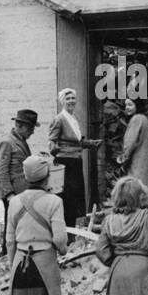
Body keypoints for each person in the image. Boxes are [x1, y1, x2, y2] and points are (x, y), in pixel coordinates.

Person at [5, 155, 68, 295]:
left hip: (21, 264)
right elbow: (60, 238)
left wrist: (12, 264)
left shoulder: (14, 202)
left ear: (25, 176)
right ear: (47, 177)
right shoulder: (55, 202)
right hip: (44, 263)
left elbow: (10, 240)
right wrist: (63, 249)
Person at [49, 88, 102, 225]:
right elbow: (52, 141)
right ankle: (66, 229)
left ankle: (72, 229)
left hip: (75, 162)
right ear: (62, 101)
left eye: (73, 98)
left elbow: (78, 142)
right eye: (68, 99)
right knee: (67, 198)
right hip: (66, 163)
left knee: (75, 199)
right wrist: (58, 153)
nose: (71, 101)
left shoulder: (73, 119)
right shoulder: (59, 119)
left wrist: (91, 144)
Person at [0, 108, 37, 209]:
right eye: (30, 128)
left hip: (23, 195)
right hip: (13, 196)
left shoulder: (22, 142)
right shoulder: (7, 142)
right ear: (19, 126)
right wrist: (9, 194)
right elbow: (1, 171)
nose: (32, 132)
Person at [118, 97, 148, 200]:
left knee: (135, 188)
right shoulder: (144, 119)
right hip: (145, 159)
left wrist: (124, 159)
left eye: (130, 105)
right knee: (144, 188)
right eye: (126, 105)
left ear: (137, 105)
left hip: (137, 160)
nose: (127, 108)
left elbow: (130, 142)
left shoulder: (136, 119)